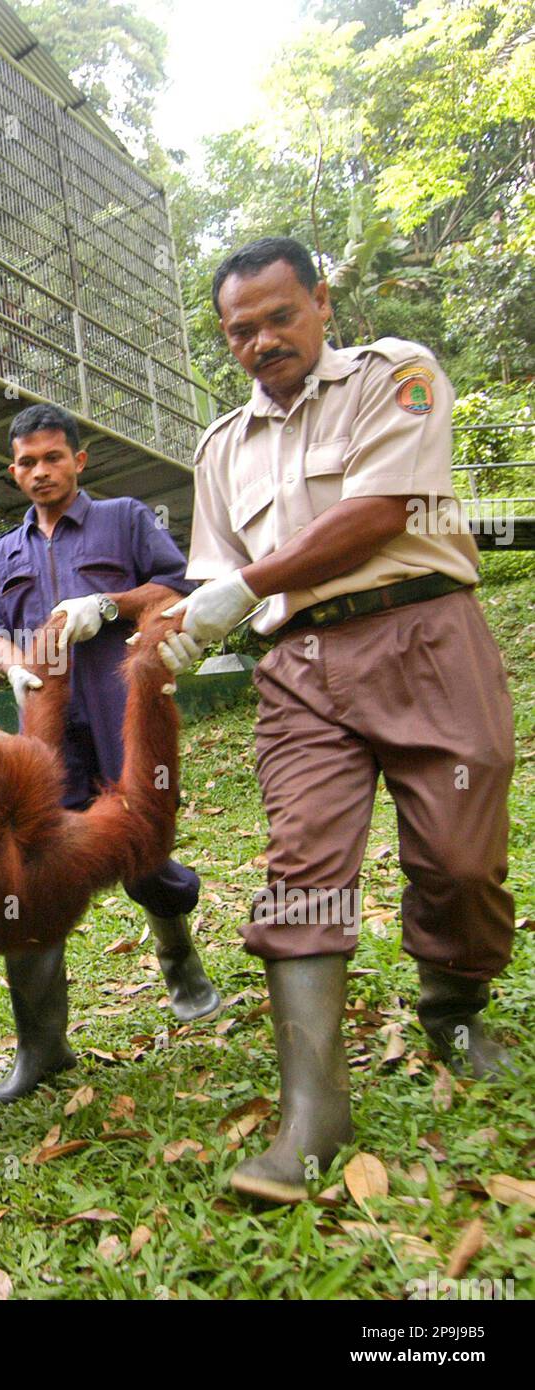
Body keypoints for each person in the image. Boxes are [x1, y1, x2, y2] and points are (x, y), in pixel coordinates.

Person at [159, 236, 516, 1204]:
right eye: (242, 329)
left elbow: (385, 510)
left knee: (460, 856)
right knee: (304, 862)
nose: (263, 340)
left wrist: (243, 588)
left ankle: (453, 1003)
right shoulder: (221, 448)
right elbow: (212, 578)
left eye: (280, 316)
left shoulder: (394, 375)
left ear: (321, 301)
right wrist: (178, 622)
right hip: (301, 665)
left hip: (422, 634)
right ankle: (314, 1113)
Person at [0, 401, 219, 1106]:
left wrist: (108, 606)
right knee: (32, 862)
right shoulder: (4, 552)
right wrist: (8, 663)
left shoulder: (126, 519)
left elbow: (179, 585)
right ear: (12, 469)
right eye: (26, 461)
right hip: (44, 728)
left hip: (120, 711)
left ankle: (179, 958)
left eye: (52, 457)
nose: (39, 471)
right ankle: (41, 1046)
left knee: (139, 842)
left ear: (79, 460)